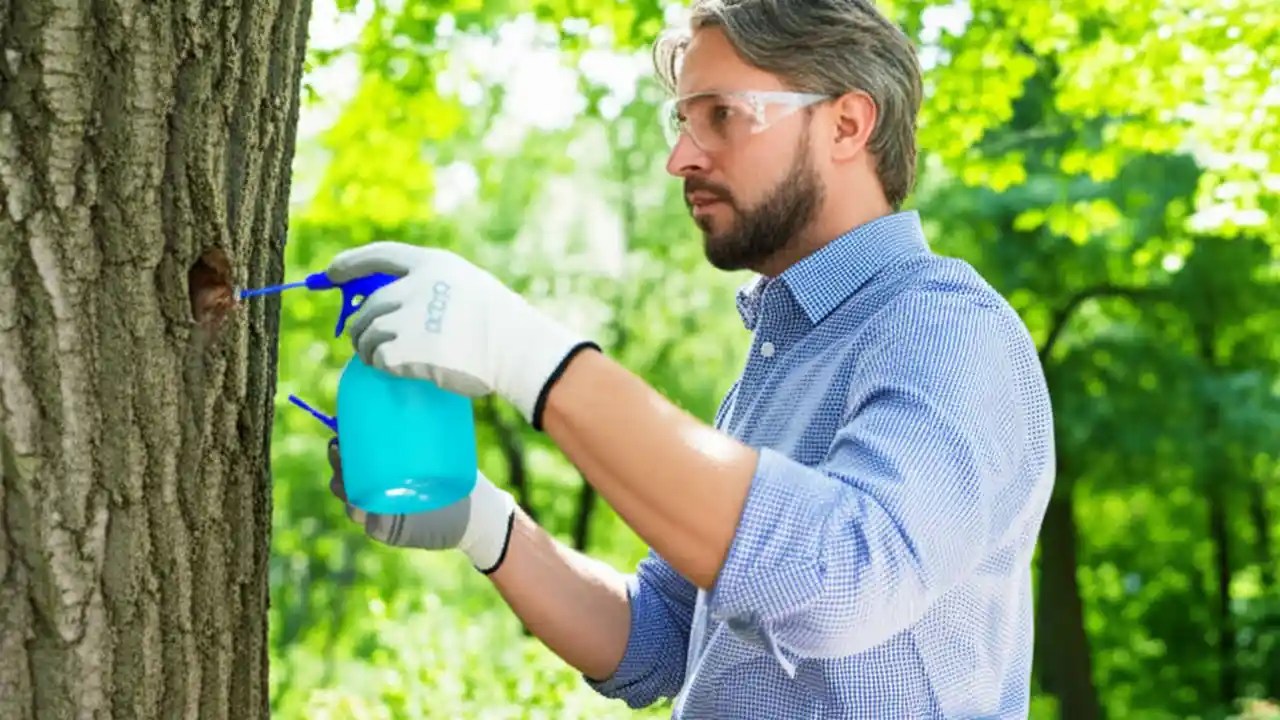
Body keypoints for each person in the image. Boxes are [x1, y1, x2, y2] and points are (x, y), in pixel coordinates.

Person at [322, 0, 1055, 717]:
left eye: (722, 116)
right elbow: (660, 640)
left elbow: (844, 582)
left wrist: (526, 354)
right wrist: (487, 522)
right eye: (682, 120)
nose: (681, 158)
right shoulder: (773, 369)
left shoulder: (945, 327)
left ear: (846, 124)